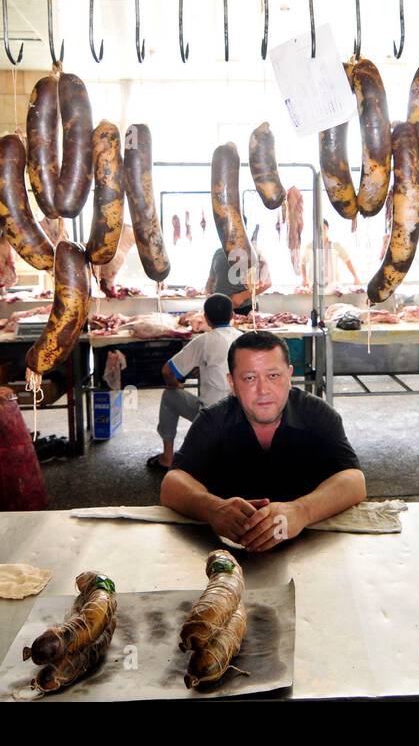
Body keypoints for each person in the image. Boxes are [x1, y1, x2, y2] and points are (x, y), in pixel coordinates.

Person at [161, 331, 366, 552]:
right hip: (228, 553)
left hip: (310, 548)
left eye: (273, 376)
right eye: (249, 378)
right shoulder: (214, 420)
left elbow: (354, 480)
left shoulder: (317, 414)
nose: (263, 390)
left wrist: (302, 511)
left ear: (289, 375)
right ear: (232, 383)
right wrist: (213, 508)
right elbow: (172, 484)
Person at [147, 294, 241, 472]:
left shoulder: (203, 341)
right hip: (242, 415)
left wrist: (175, 384)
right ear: (233, 316)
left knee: (169, 396)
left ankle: (167, 458)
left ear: (205, 318)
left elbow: (167, 371)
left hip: (211, 417)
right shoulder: (243, 340)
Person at [206, 235, 273, 316]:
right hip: (219, 308)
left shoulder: (253, 253)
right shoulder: (218, 252)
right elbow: (211, 279)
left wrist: (241, 297)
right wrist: (208, 295)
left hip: (245, 309)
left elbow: (267, 283)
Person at [300, 219, 359, 289]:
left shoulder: (336, 245)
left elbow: (347, 261)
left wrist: (355, 276)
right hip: (314, 287)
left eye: (323, 228)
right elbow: (302, 263)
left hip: (333, 287)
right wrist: (304, 279)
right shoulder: (309, 246)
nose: (321, 231)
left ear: (327, 228)